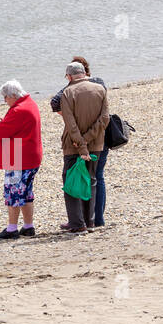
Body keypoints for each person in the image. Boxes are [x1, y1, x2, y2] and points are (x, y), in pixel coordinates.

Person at [50, 56, 110, 227]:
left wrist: (81, 143)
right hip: (97, 142)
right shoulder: (100, 89)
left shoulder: (68, 92)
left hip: (73, 145)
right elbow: (104, 118)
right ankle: (90, 222)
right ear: (84, 73)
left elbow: (70, 123)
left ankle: (77, 223)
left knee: (71, 181)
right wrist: (89, 138)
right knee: (91, 180)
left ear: (69, 76)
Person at [0, 80, 43, 240]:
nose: (4, 101)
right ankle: (28, 226)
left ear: (12, 95)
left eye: (5, 97)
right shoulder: (30, 103)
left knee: (13, 193)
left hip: (19, 156)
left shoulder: (18, 110)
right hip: (30, 155)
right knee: (26, 193)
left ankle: (12, 229)